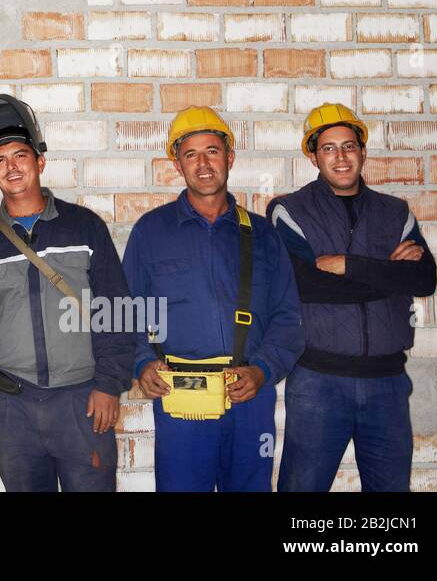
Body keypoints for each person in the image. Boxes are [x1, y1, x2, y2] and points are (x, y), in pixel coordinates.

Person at [0, 95, 135, 491]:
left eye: (20, 155)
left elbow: (117, 309)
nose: (11, 167)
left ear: (39, 162)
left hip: (81, 401)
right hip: (12, 408)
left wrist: (109, 384)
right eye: (0, 160)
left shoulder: (84, 228)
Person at [122, 106, 304, 492]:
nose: (203, 164)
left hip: (249, 397)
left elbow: (288, 317)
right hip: (180, 396)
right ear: (178, 164)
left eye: (212, 151)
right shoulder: (151, 232)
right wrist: (142, 363)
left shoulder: (261, 234)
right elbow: (127, 312)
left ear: (230, 158)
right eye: (190, 154)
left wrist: (263, 371)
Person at [270, 103, 437, 492]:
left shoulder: (395, 212)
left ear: (363, 151)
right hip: (318, 381)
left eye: (349, 146)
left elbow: (425, 278)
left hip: (388, 383)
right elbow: (307, 286)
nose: (341, 157)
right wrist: (391, 273)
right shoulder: (288, 210)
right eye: (328, 148)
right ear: (312, 156)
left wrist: (349, 264)